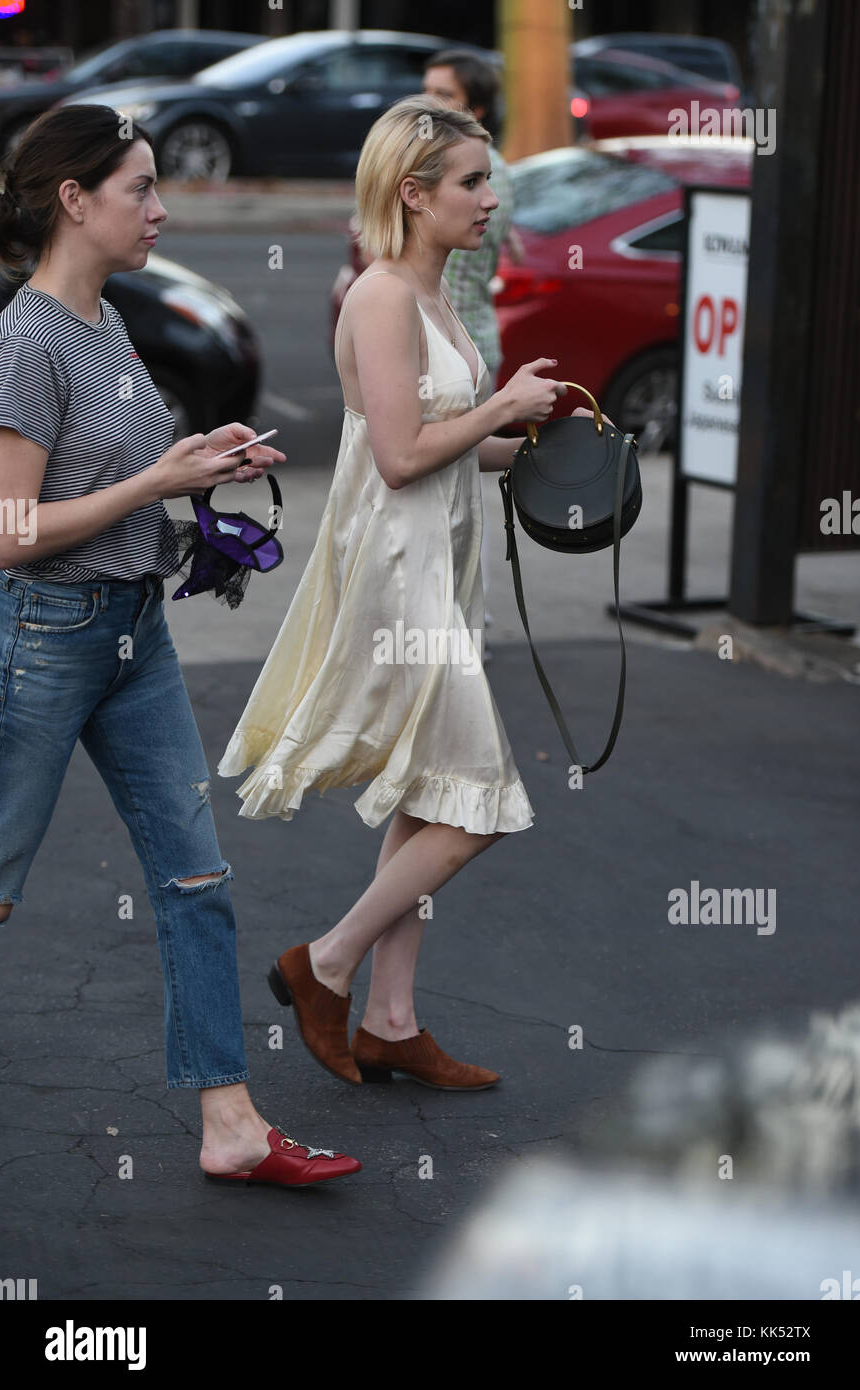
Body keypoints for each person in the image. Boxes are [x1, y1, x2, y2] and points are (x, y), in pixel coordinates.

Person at [0, 105, 360, 1189]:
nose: (160, 209)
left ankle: (232, 1126)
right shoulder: (25, 339)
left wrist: (197, 462)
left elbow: (103, 484)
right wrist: (158, 481)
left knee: (196, 876)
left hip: (133, 635)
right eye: (139, 189)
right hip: (47, 638)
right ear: (74, 200)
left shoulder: (105, 321)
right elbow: (9, 534)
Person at [219, 96, 586, 1090]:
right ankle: (323, 965)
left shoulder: (435, 298)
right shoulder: (382, 297)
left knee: (427, 793)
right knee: (478, 809)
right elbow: (396, 456)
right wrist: (498, 406)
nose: (491, 197)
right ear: (413, 194)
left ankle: (389, 1018)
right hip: (396, 574)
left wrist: (541, 446)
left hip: (439, 562)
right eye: (472, 181)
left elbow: (452, 453)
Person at [422, 49, 525, 660]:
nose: (428, 104)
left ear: (476, 108)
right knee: (440, 483)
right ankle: (452, 627)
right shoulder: (387, 297)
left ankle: (464, 625)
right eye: (425, 90)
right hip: (434, 330)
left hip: (465, 337)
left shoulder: (489, 175)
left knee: (457, 488)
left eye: (444, 94)